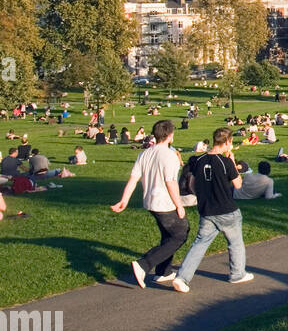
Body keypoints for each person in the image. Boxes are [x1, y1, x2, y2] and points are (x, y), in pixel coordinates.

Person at [167, 126, 254, 293]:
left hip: (206, 210)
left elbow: (191, 176)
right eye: (231, 143)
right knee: (235, 243)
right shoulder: (226, 162)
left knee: (199, 244)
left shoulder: (198, 161)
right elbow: (238, 185)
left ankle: (182, 277)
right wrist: (233, 163)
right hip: (226, 209)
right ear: (227, 142)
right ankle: (237, 274)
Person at [109, 119, 188, 288]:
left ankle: (163, 271)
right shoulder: (170, 156)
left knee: (168, 235)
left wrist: (124, 200)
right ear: (170, 135)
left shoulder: (144, 154)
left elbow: (133, 179)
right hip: (165, 203)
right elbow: (171, 182)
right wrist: (179, 206)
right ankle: (144, 264)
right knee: (181, 234)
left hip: (150, 201)